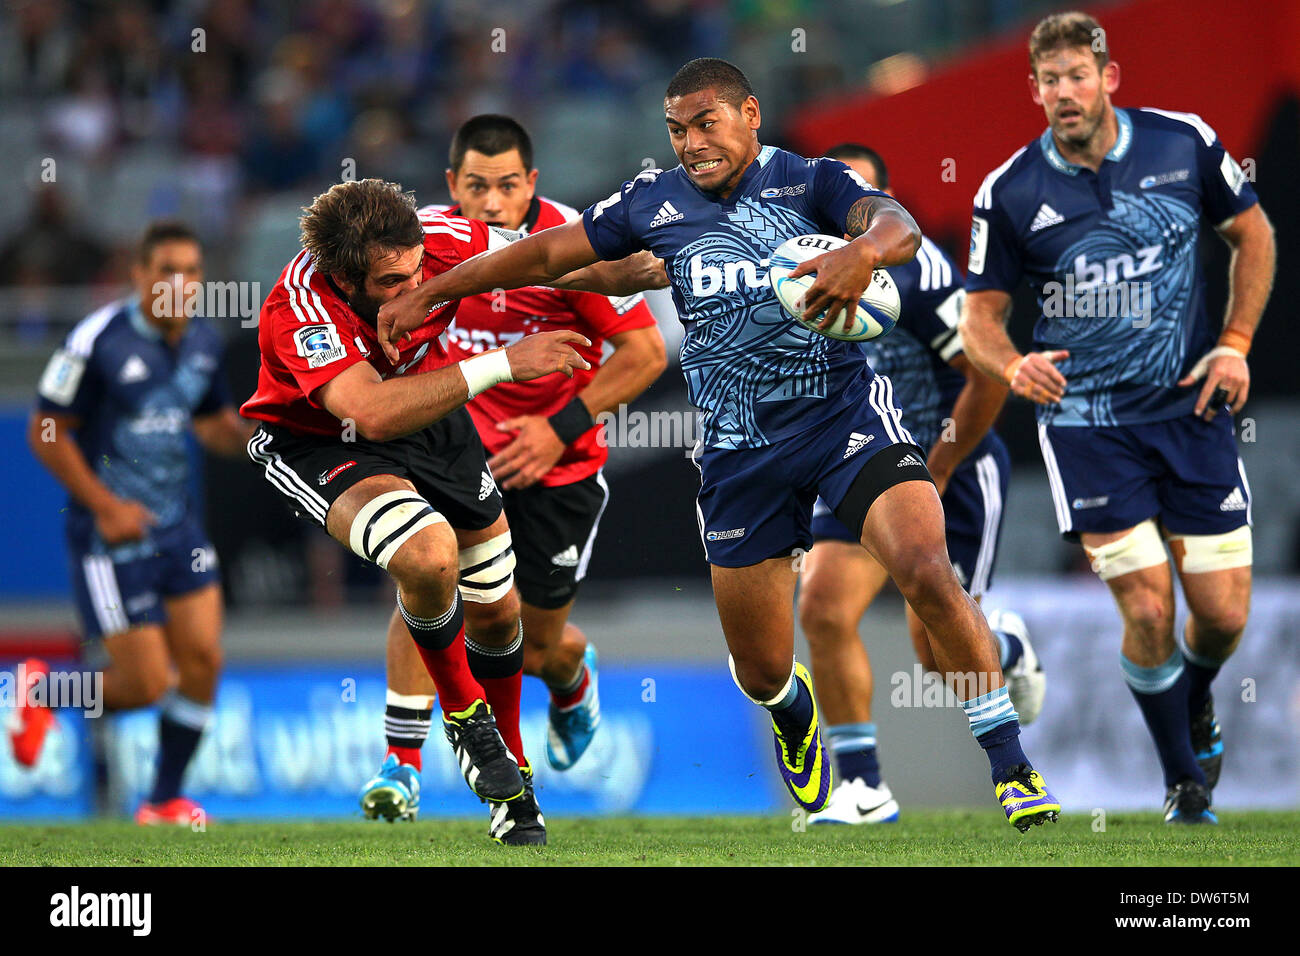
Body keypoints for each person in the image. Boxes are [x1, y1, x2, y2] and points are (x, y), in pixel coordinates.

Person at [378, 59, 1061, 831]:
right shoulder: (649, 201)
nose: (692, 143)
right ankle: (792, 709)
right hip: (738, 449)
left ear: (750, 113)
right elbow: (543, 254)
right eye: (677, 129)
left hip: (843, 420)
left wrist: (858, 252)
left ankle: (1012, 768)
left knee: (926, 568)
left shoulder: (810, 181)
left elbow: (896, 225)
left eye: (707, 123)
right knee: (762, 667)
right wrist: (436, 290)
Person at [240, 178, 658, 845]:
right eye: (390, 283)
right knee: (428, 557)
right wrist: (505, 363)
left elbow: (550, 259)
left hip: (434, 422)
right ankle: (467, 728)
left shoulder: (439, 240)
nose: (412, 289)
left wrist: (650, 266)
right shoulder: (301, 304)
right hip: (325, 440)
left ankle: (510, 780)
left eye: (415, 273)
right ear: (344, 278)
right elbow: (370, 413)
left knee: (496, 610)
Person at [959, 12, 1275, 823]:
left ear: (1109, 78)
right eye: (1049, 81)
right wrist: (1010, 362)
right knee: (1145, 608)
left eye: (1077, 76)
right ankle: (1184, 784)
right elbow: (979, 321)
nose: (1064, 93)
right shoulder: (1011, 191)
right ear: (1032, 91)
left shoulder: (1184, 145)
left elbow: (1254, 234)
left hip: (1193, 408)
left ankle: (1194, 700)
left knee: (1225, 615)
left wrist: (1235, 342)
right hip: (1088, 425)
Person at [359, 115, 666, 820]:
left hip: (556, 467)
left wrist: (556, 431)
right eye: (475, 187)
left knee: (531, 643)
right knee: (426, 576)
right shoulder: (426, 243)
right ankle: (401, 765)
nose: (491, 203)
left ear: (531, 182)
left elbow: (646, 356)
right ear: (449, 185)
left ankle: (572, 680)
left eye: (505, 186)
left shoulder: (569, 246)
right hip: (456, 457)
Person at [796, 144, 1045, 826]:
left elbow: (988, 373)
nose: (853, 222)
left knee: (937, 655)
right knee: (820, 606)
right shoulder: (798, 261)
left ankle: (1010, 657)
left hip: (949, 461)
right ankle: (863, 787)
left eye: (866, 200)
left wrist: (937, 467)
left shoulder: (921, 270)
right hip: (860, 453)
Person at [24, 221, 251, 824]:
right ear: (140, 276)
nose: (181, 283)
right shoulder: (97, 339)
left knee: (203, 660)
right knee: (147, 684)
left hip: (179, 527)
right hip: (111, 537)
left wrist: (264, 438)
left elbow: (210, 425)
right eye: (168, 271)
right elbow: (45, 431)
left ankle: (163, 799)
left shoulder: (202, 343)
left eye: (193, 271)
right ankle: (42, 692)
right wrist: (105, 505)